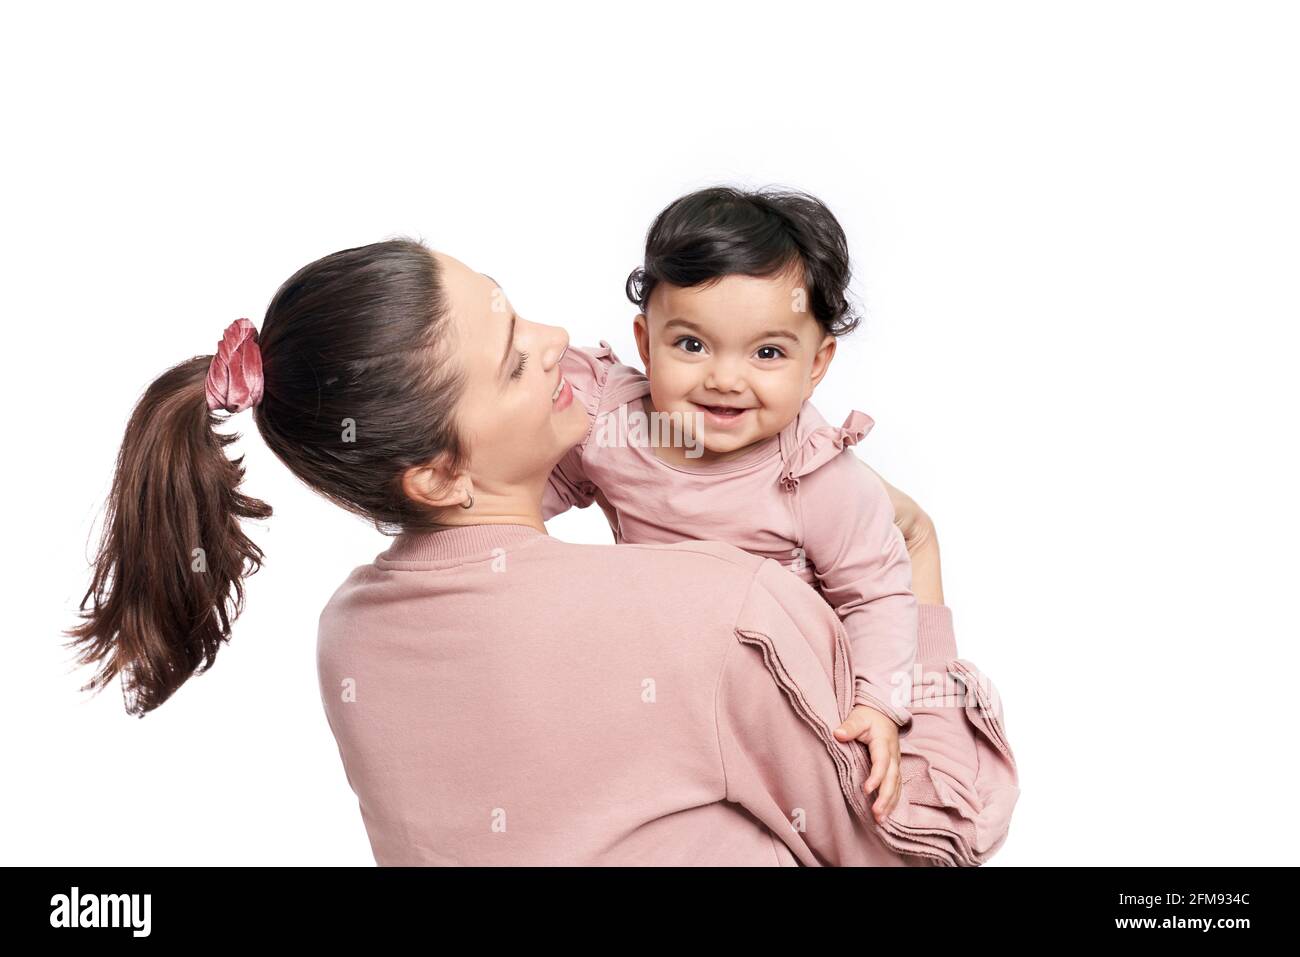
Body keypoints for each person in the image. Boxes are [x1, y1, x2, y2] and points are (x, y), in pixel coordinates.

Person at [67, 237, 1018, 866]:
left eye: (516, 313)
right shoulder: (728, 611)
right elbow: (934, 838)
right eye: (518, 358)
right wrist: (918, 566)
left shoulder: (347, 637)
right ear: (436, 474)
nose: (560, 340)